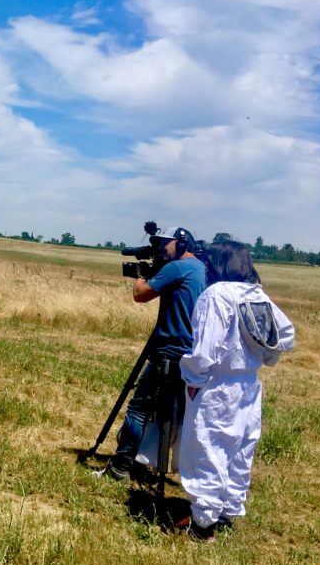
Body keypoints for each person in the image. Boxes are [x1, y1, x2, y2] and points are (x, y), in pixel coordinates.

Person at [177, 241, 294, 541]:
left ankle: (203, 525)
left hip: (217, 384)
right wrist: (267, 356)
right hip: (248, 385)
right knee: (239, 450)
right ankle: (226, 514)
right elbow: (286, 334)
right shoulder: (256, 294)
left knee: (208, 448)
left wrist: (192, 380)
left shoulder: (215, 295)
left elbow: (204, 351)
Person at [100, 225, 207, 482]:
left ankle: (121, 467)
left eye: (164, 245)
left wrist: (142, 274)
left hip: (169, 350)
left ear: (180, 244)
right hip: (194, 354)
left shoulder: (177, 268)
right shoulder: (201, 269)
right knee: (175, 414)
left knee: (139, 408)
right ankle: (164, 464)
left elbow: (140, 295)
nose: (160, 250)